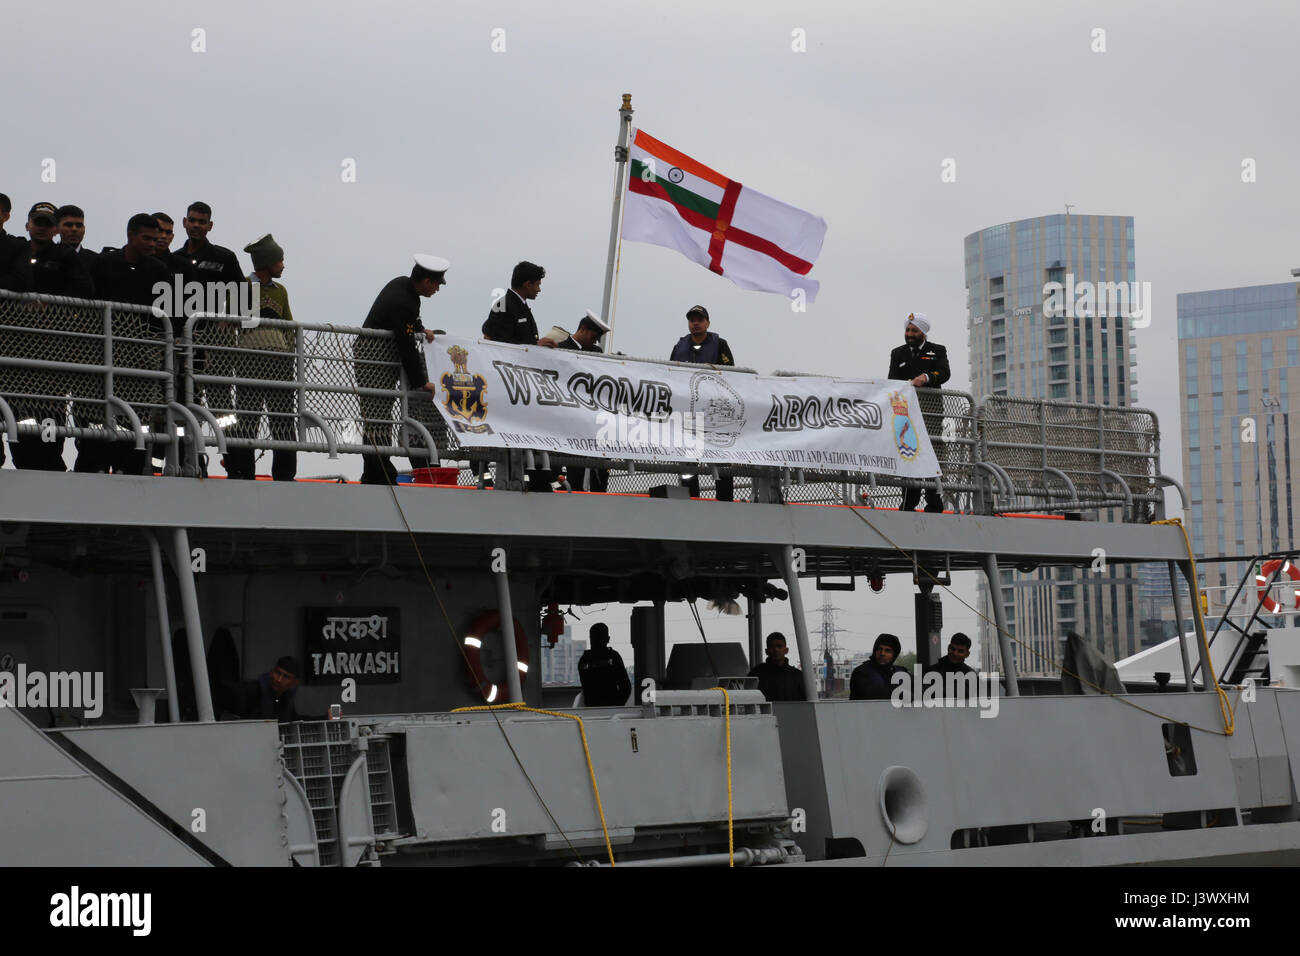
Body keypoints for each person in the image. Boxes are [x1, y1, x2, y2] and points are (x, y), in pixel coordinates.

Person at [81, 214, 171, 474]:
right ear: (130, 235)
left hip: (140, 355)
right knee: (97, 412)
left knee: (137, 415)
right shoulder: (104, 264)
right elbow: (90, 302)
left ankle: (129, 467)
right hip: (103, 352)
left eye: (156, 239)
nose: (152, 244)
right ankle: (92, 466)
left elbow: (165, 313)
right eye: (147, 238)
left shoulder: (158, 270)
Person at [356, 254, 446, 484]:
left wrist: (419, 327)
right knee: (377, 416)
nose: (437, 289)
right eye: (436, 284)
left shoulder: (403, 286)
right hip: (374, 357)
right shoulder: (405, 299)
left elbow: (403, 320)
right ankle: (378, 472)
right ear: (426, 281)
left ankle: (376, 471)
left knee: (380, 416)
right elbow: (406, 345)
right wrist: (420, 381)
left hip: (378, 355)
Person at [225, 234, 297, 482]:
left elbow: (289, 326)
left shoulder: (281, 291)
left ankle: (285, 475)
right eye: (280, 261)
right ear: (268, 263)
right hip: (250, 362)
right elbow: (226, 325)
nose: (283, 265)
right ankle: (242, 472)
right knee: (247, 419)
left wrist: (289, 355)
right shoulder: (242, 287)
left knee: (284, 420)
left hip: (279, 363)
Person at [670, 305, 735, 501]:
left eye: (699, 319)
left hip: (715, 415)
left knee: (720, 459)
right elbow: (669, 373)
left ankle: (725, 501)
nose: (695, 323)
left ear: (707, 322)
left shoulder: (720, 344)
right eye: (692, 320)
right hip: (688, 415)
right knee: (689, 461)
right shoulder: (679, 346)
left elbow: (730, 373)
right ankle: (692, 500)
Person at [888, 311, 950, 513]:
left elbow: (944, 373)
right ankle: (909, 500)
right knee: (908, 451)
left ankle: (934, 500)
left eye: (914, 330)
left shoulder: (937, 350)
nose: (909, 333)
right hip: (906, 412)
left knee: (933, 451)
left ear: (923, 332)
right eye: (908, 329)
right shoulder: (898, 353)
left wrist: (926, 377)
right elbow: (892, 380)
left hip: (930, 411)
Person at [482, 261, 556, 346]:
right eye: (537, 285)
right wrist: (535, 344)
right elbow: (500, 344)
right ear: (528, 285)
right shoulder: (503, 306)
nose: (539, 290)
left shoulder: (519, 305)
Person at [215, 655, 305, 723]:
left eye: (286, 677)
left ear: (294, 683)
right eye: (277, 673)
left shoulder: (286, 697)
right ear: (272, 672)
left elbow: (292, 719)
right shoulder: (253, 690)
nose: (278, 679)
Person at [577, 623, 632, 706]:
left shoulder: (584, 660)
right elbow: (626, 687)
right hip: (612, 707)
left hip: (591, 708)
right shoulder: (614, 657)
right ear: (608, 639)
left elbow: (585, 686)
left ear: (591, 638)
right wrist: (618, 705)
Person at [748, 631, 806, 701]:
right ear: (766, 651)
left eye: (779, 646)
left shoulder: (797, 676)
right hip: (766, 712)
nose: (776, 650)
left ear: (786, 650)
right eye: (771, 647)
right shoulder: (756, 674)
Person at [850, 634, 906, 701]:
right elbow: (874, 694)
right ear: (875, 651)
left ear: (894, 655)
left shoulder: (901, 672)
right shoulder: (862, 672)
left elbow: (919, 690)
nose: (882, 653)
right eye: (880, 649)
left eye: (887, 651)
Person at [55, 205, 98, 276]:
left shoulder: (96, 261)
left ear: (84, 229)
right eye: (68, 225)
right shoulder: (48, 256)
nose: (74, 229)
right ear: (57, 228)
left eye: (79, 225)